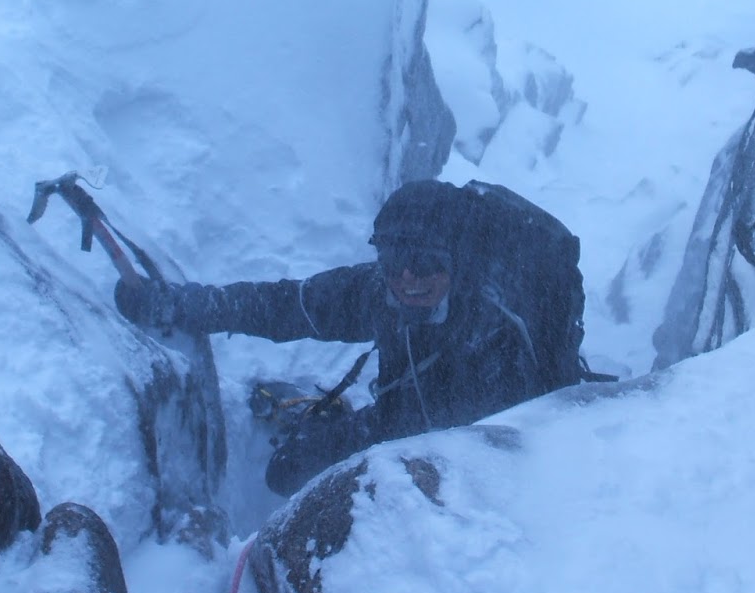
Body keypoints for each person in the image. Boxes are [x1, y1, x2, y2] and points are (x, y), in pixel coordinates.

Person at [114, 180, 572, 495]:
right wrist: (175, 304)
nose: (409, 277)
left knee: (303, 475)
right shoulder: (381, 293)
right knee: (287, 472)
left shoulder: (495, 335)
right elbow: (286, 306)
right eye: (395, 261)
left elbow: (445, 443)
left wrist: (348, 444)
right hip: (406, 418)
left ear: (458, 258)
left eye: (427, 261)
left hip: (472, 455)